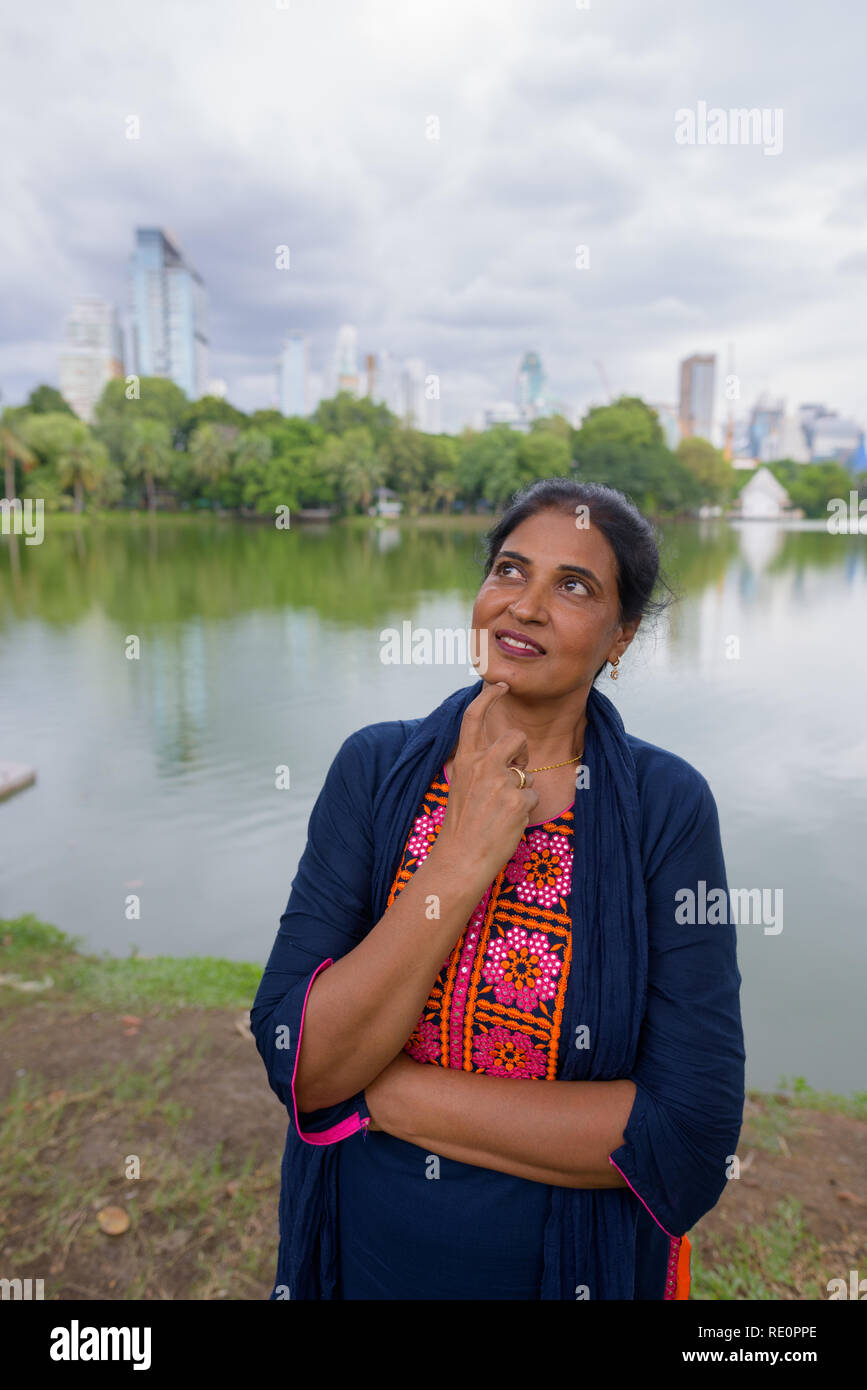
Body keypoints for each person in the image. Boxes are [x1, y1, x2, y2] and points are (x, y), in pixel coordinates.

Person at [250, 477, 746, 1300]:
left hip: (566, 1267)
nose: (526, 605)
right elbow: (295, 1063)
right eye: (510, 571)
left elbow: (685, 1136)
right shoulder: (375, 771)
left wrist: (380, 1093)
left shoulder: (664, 807)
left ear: (620, 638)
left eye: (574, 586)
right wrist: (461, 857)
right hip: (367, 1252)